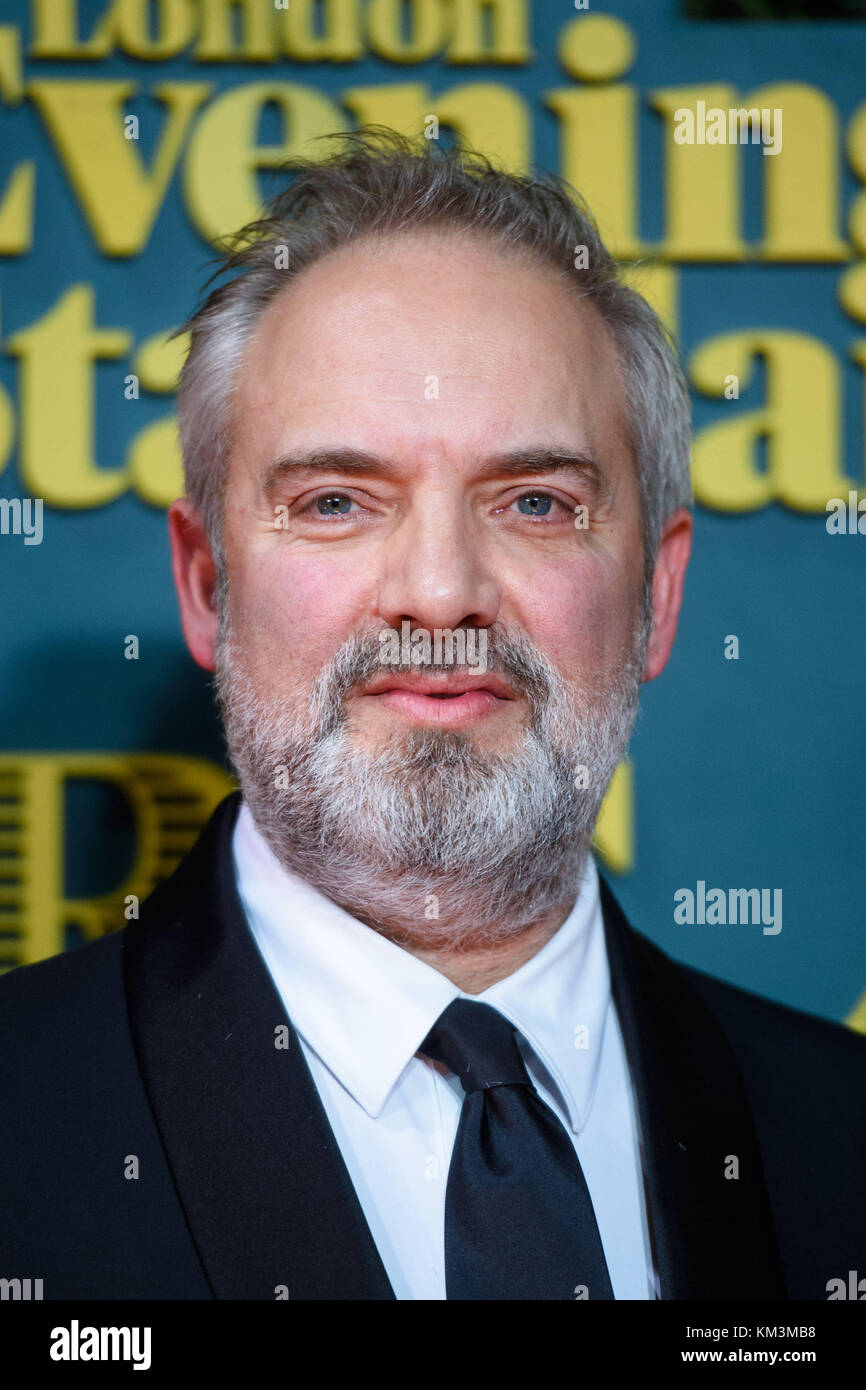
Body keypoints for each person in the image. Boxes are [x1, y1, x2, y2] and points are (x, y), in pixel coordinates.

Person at [1, 129, 863, 1302]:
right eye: (338, 500)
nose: (441, 591)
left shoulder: (835, 1131)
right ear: (207, 584)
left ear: (657, 599)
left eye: (534, 501)